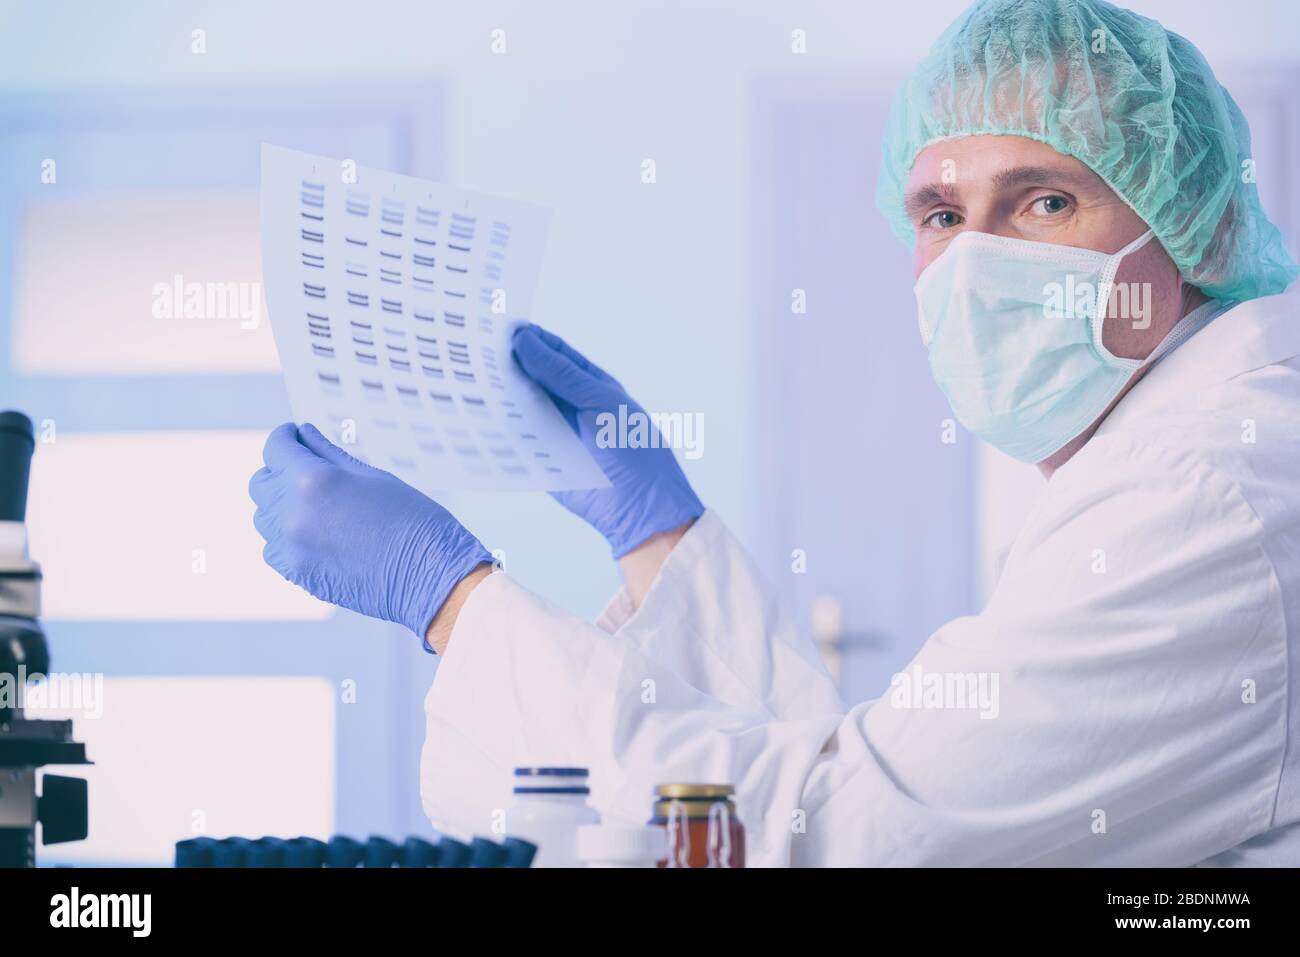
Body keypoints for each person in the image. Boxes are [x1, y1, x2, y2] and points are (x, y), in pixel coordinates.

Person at [249, 0, 1300, 865]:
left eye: (1043, 202)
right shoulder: (1176, 448)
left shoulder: (1199, 490)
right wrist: (660, 544)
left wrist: (454, 603)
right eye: (939, 215)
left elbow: (851, 838)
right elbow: (862, 772)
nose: (974, 265)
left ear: (1195, 229)